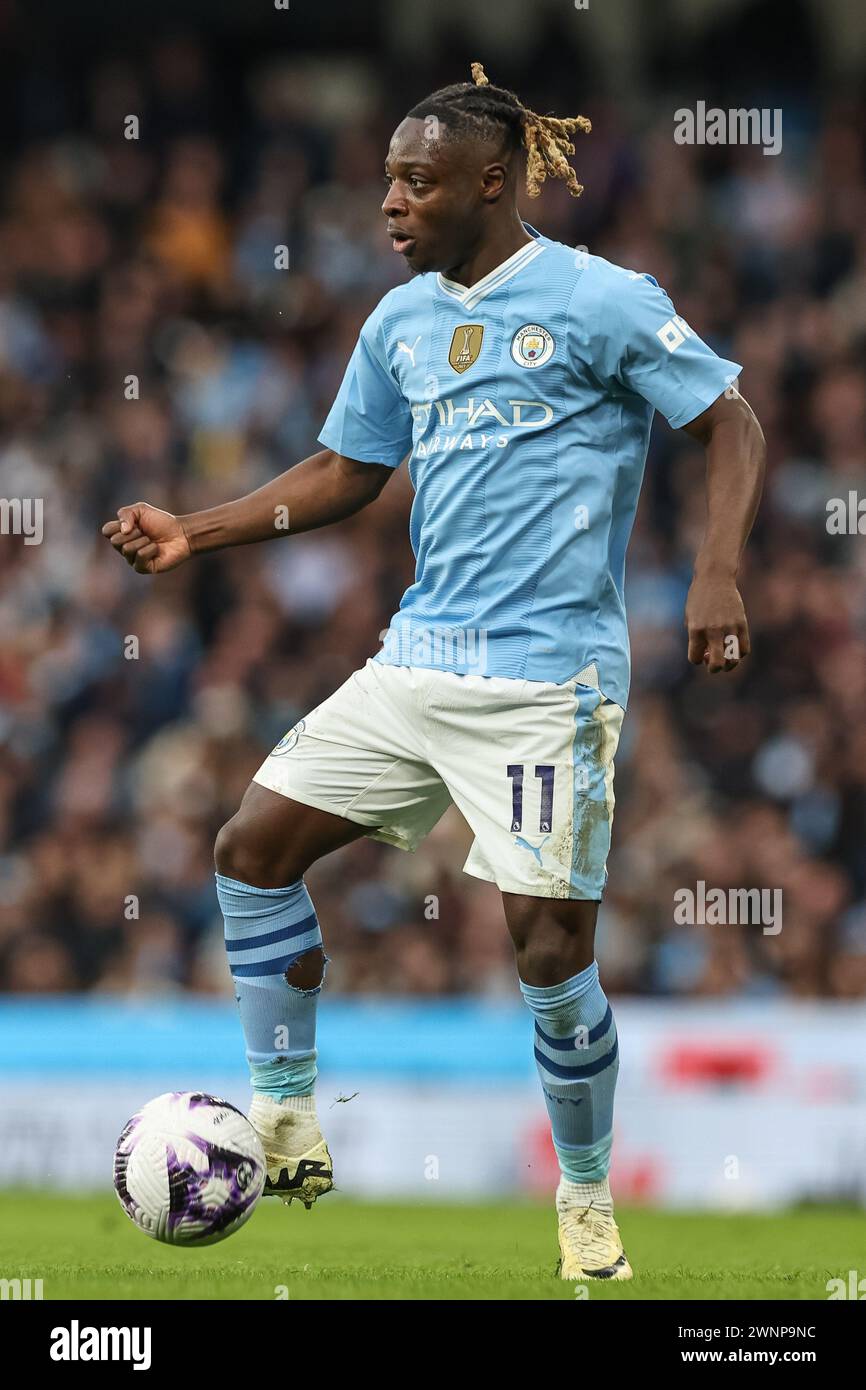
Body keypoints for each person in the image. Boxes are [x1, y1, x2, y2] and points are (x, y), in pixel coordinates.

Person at [103, 62, 765, 1281]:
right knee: (250, 847)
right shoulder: (399, 320)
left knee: (548, 957)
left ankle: (583, 1200)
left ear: (491, 183)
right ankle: (285, 1117)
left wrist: (715, 573)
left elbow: (730, 419)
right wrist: (196, 529)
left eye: (417, 181)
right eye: (388, 181)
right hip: (416, 660)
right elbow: (344, 472)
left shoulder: (600, 298)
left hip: (545, 682)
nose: (391, 203)